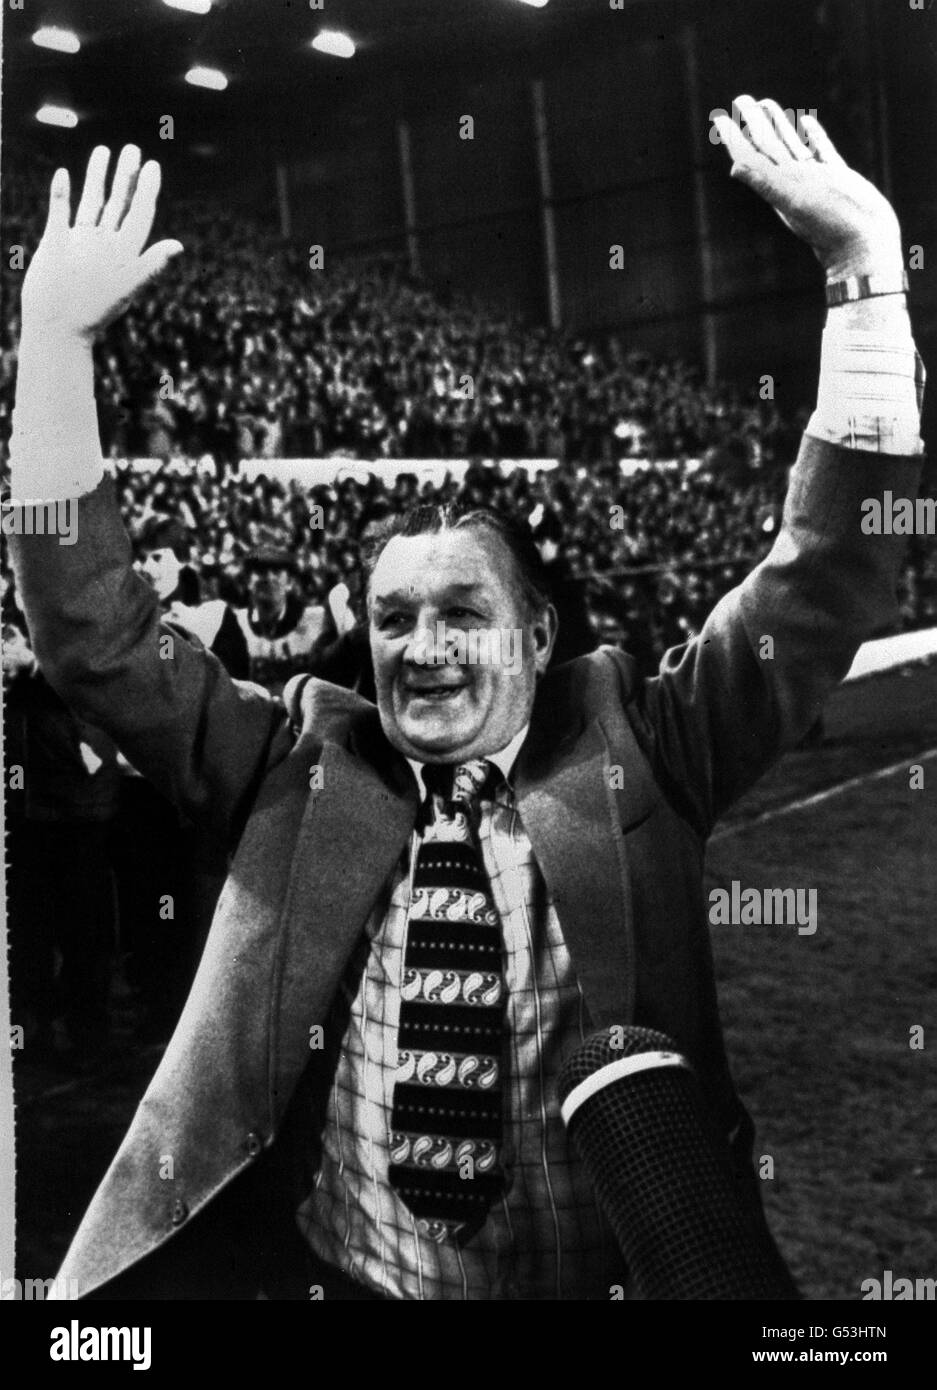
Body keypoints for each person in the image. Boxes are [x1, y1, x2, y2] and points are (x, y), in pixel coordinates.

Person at [9, 98, 924, 1301]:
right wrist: (56, 351)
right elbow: (93, 638)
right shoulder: (292, 757)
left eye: (461, 614)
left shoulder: (646, 744)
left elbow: (822, 580)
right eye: (391, 618)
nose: (422, 648)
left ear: (537, 635)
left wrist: (864, 275)